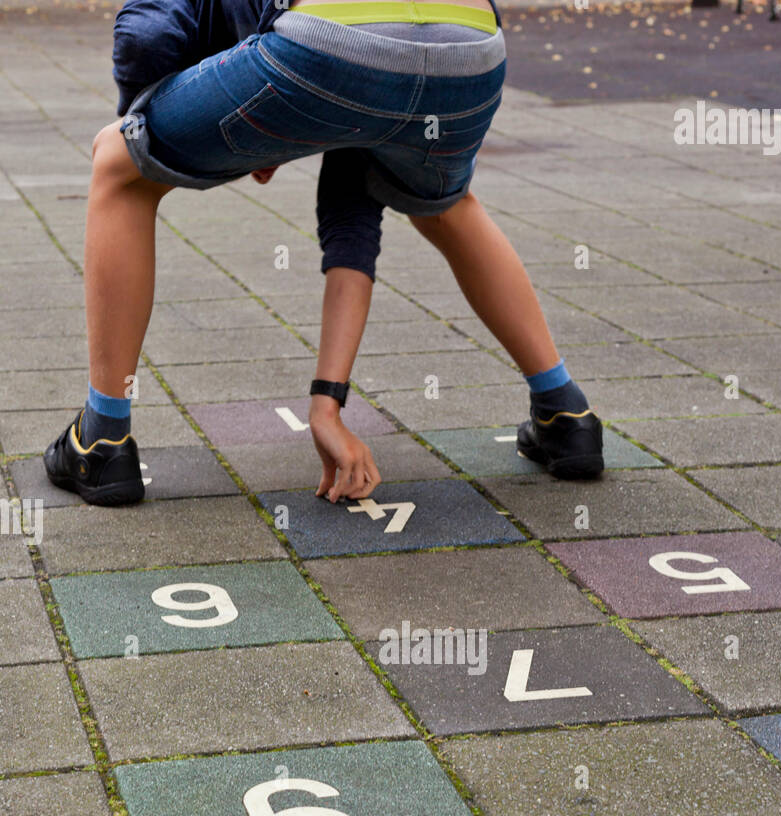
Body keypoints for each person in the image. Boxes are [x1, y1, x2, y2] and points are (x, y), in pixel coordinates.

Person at [43, 0, 604, 507]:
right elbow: (352, 208)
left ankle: (103, 440)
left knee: (119, 163)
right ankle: (567, 413)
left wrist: (139, 128)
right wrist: (325, 406)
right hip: (472, 47)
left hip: (329, 42)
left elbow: (147, 35)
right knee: (444, 205)